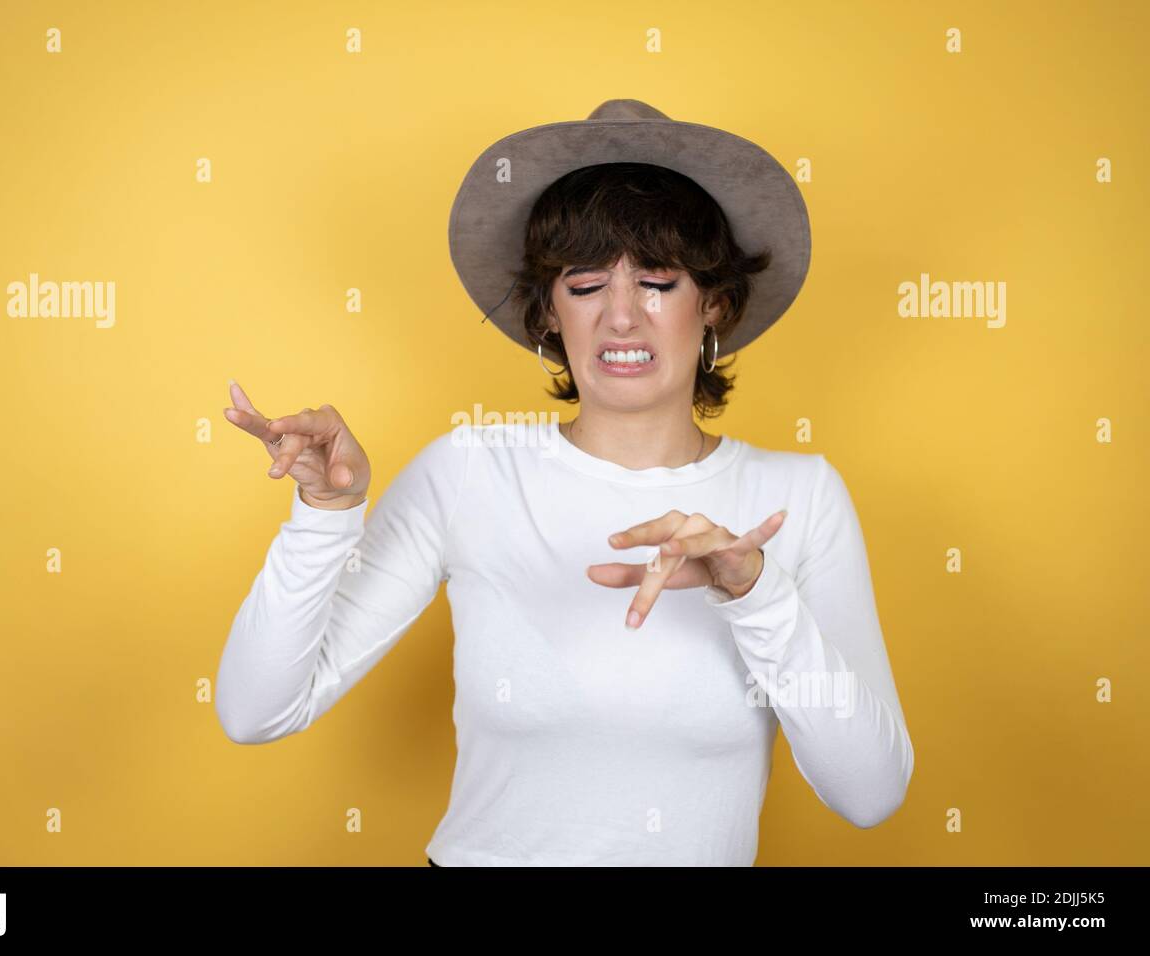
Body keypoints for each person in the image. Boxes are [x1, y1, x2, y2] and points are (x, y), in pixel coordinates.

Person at [215, 99, 914, 866]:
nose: (621, 318)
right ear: (548, 314)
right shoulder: (469, 473)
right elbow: (255, 713)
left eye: (656, 282)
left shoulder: (801, 497)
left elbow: (870, 794)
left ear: (712, 303)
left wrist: (758, 596)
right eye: (584, 286)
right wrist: (324, 513)